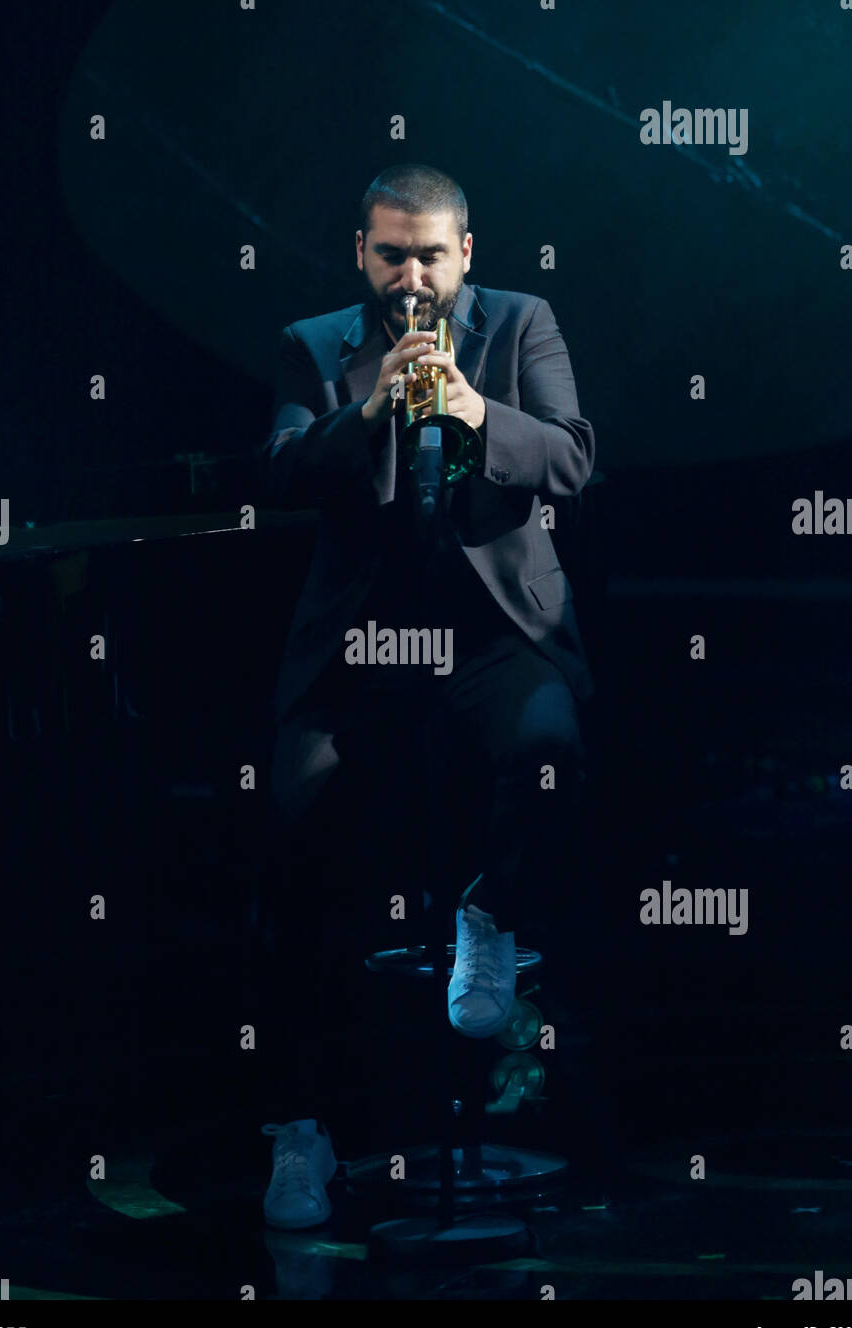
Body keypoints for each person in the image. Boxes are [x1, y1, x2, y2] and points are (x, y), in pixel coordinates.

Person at [254, 164, 595, 1230]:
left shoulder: (521, 324)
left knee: (548, 752)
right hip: (365, 641)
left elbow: (574, 459)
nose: (412, 277)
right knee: (294, 839)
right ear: (361, 254)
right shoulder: (316, 345)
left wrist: (470, 406)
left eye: (430, 255)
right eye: (391, 254)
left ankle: (488, 915)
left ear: (466, 254)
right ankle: (298, 1131)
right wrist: (367, 411)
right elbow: (276, 473)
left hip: (495, 633)